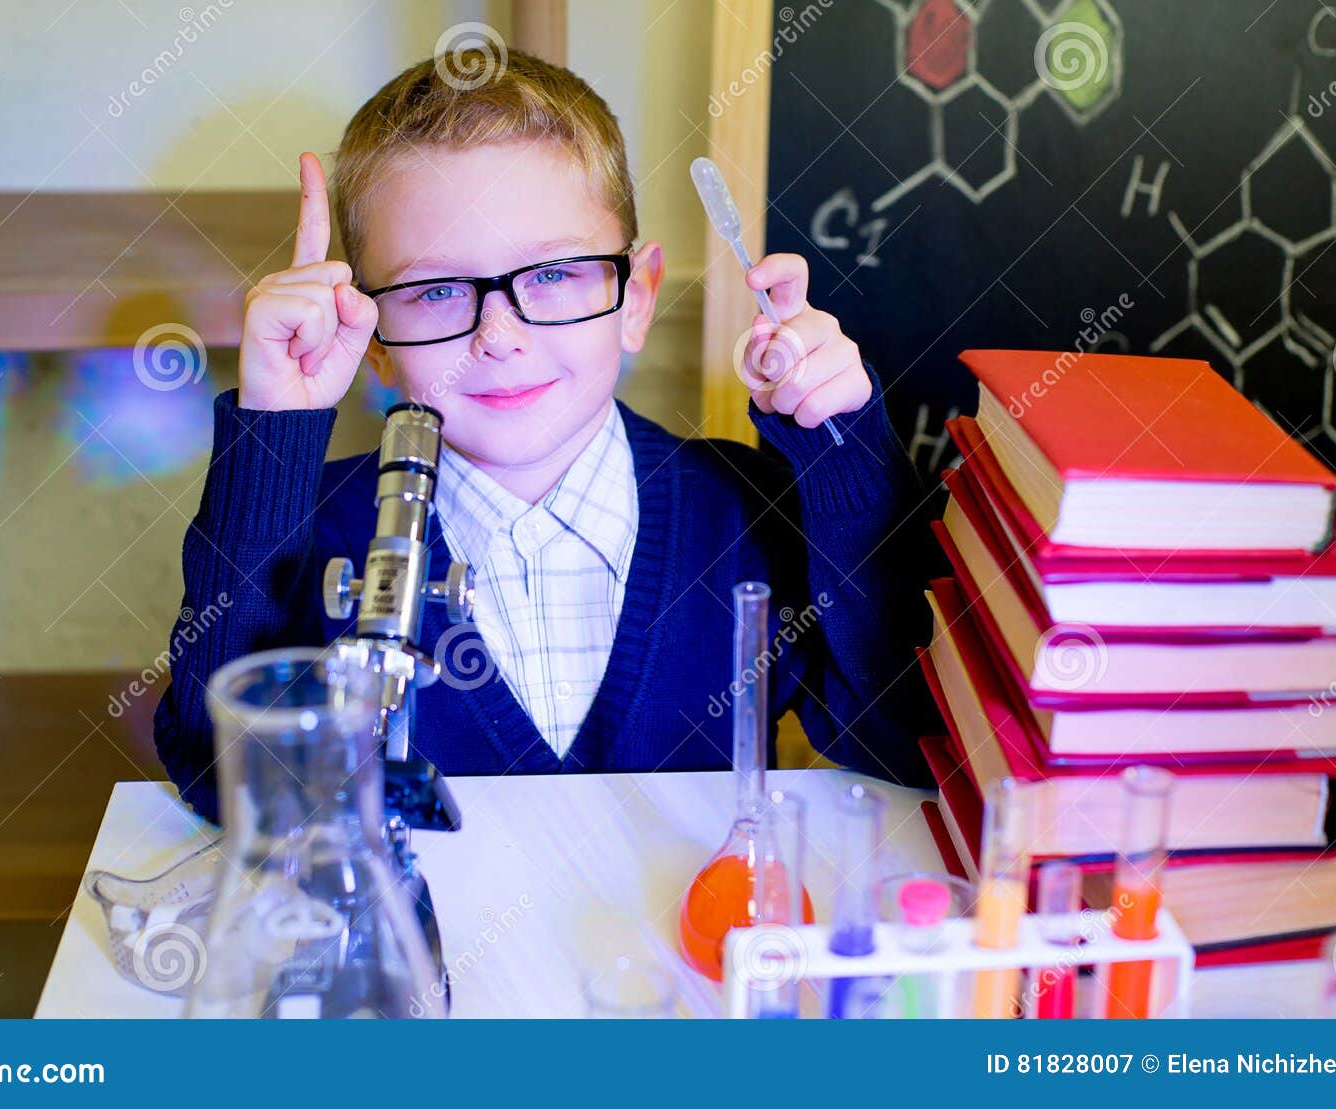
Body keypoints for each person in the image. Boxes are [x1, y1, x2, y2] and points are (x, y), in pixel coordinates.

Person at [153, 47, 930, 824]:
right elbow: (222, 775)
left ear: (637, 297)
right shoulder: (316, 532)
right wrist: (274, 434)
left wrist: (840, 447)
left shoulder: (744, 514)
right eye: (435, 289)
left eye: (553, 274)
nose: (498, 337)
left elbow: (909, 737)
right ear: (376, 339)